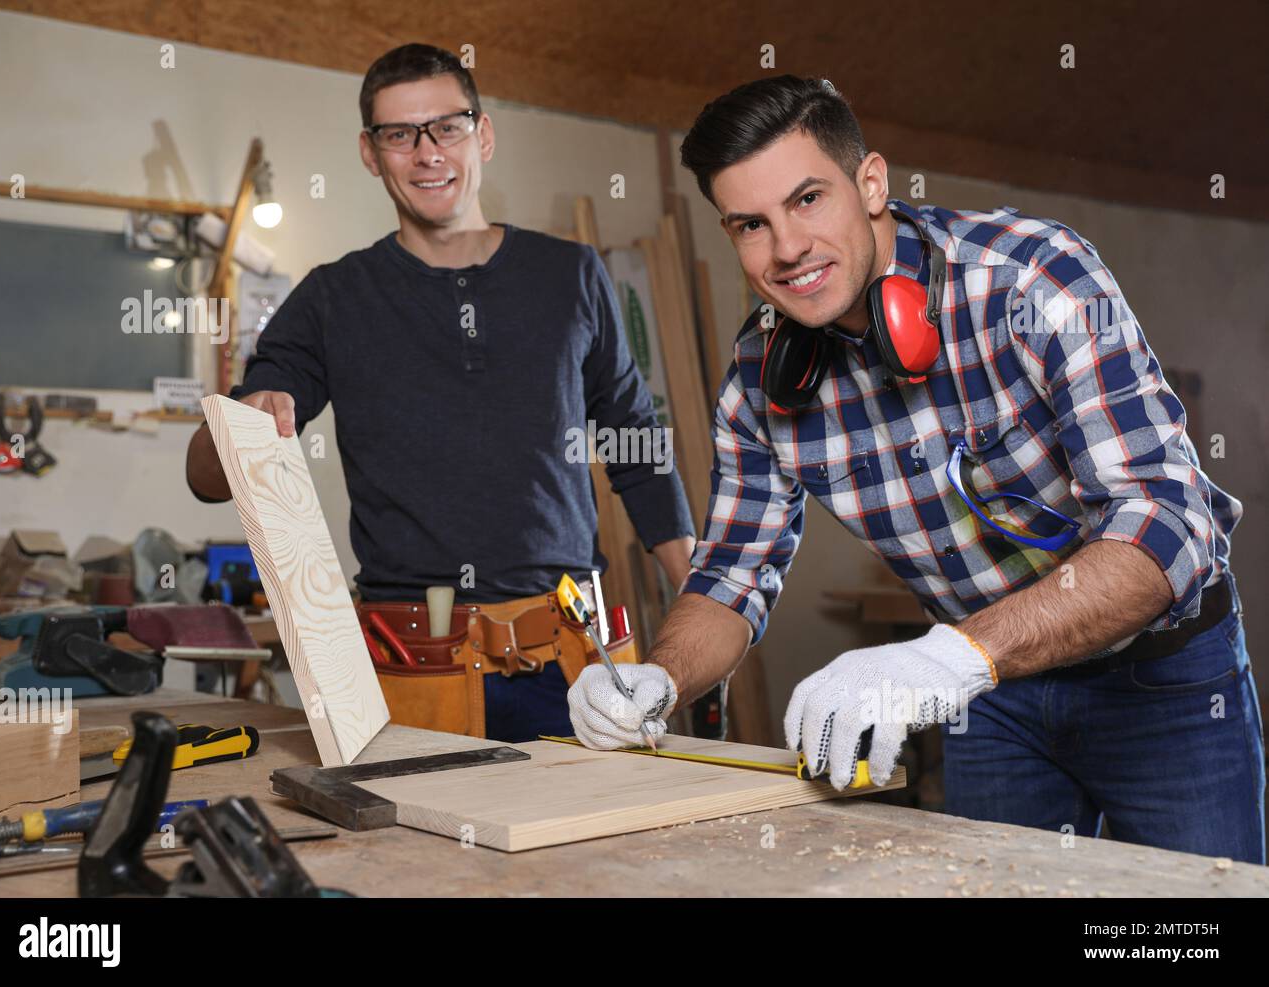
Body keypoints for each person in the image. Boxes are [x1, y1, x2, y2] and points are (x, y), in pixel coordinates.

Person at [566, 75, 1263, 863]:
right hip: (992, 698)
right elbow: (728, 574)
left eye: (806, 201)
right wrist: (657, 680)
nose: (786, 249)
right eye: (750, 224)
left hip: (1161, 678)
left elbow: (1165, 523)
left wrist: (945, 658)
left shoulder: (1031, 278)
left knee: (1193, 929)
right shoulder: (758, 382)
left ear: (871, 183)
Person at [187, 44, 695, 742]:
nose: (427, 152)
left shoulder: (570, 274)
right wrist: (242, 423)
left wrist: (699, 607)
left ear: (482, 134)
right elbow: (209, 478)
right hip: (412, 672)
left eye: (446, 127)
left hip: (581, 662)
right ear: (371, 153)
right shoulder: (333, 297)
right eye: (399, 134)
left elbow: (636, 441)